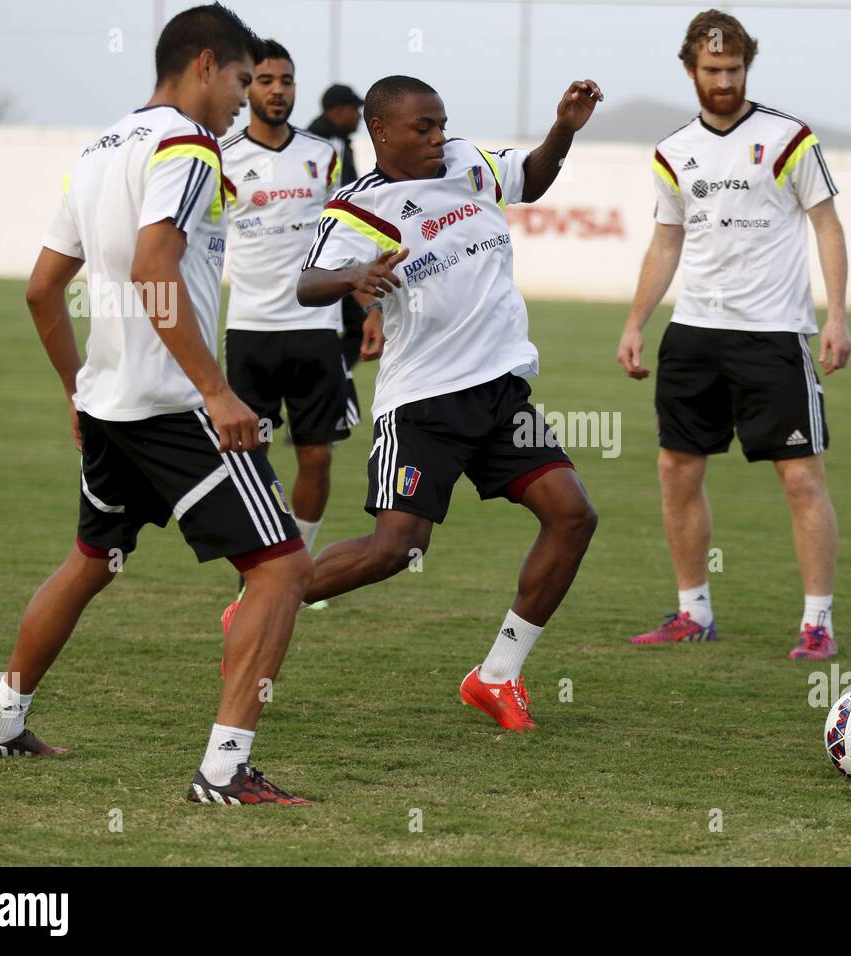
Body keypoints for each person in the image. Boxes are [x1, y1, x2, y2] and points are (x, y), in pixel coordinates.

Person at [0, 4, 382, 806]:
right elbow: (158, 266)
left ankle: (2, 722)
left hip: (113, 404)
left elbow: (42, 289)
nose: (242, 96)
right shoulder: (188, 146)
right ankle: (224, 771)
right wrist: (217, 390)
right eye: (237, 79)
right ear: (202, 64)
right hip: (173, 405)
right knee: (283, 568)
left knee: (91, 561)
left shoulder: (97, 150)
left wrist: (74, 389)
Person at [253, 74, 604, 733]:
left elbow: (531, 177)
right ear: (381, 131)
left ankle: (496, 676)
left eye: (442, 122)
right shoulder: (359, 209)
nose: (439, 137)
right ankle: (268, 597)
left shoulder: (468, 162)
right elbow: (306, 284)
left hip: (501, 392)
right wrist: (355, 276)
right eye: (424, 127)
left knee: (573, 516)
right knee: (397, 548)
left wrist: (564, 129)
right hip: (424, 403)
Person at [616, 9, 851, 659]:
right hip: (693, 336)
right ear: (690, 68)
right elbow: (666, 242)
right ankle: (694, 611)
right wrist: (636, 322)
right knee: (676, 471)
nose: (725, 80)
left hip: (772, 337)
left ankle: (817, 623)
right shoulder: (673, 151)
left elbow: (827, 225)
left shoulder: (789, 138)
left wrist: (835, 314)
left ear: (749, 66)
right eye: (713, 69)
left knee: (802, 478)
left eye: (735, 68)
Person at [221, 39, 354, 602]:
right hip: (249, 331)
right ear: (248, 86)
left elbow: (348, 235)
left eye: (288, 80)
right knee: (250, 463)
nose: (278, 90)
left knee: (317, 456)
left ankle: (299, 571)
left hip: (317, 329)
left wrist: (366, 311)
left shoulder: (324, 154)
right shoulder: (220, 157)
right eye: (267, 80)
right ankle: (259, 576)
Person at [308, 83, 371, 378]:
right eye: (354, 110)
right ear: (337, 110)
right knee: (358, 325)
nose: (359, 117)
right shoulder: (329, 142)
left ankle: (328, 379)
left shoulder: (328, 139)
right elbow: (342, 199)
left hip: (324, 251)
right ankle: (330, 380)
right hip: (332, 252)